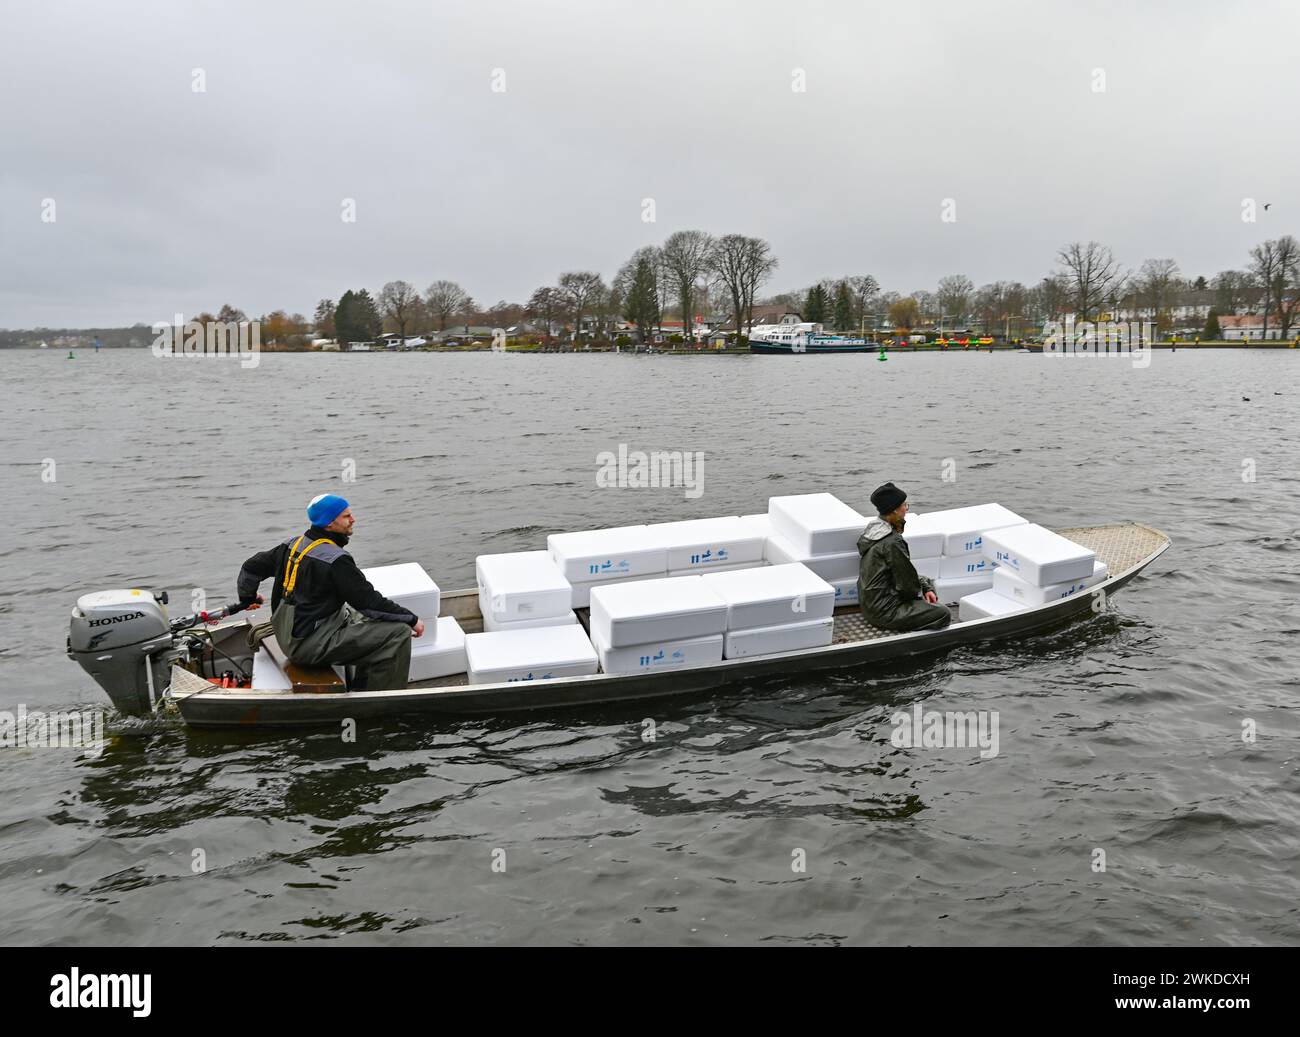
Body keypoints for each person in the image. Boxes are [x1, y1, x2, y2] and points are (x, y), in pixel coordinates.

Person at [236, 494, 425, 690]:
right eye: (346, 516)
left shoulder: (290, 545)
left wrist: (248, 597)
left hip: (288, 637)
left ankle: (362, 685)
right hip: (308, 646)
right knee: (398, 632)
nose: (353, 520)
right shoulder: (336, 560)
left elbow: (251, 567)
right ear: (328, 524)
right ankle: (380, 701)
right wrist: (411, 619)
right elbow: (368, 602)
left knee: (372, 617)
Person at [857, 482, 952, 632]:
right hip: (885, 612)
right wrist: (923, 598)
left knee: (924, 580)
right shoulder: (892, 542)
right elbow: (908, 586)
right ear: (894, 510)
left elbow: (902, 575)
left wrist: (925, 586)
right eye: (904, 505)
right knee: (943, 613)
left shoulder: (873, 532)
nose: (906, 509)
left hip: (869, 605)